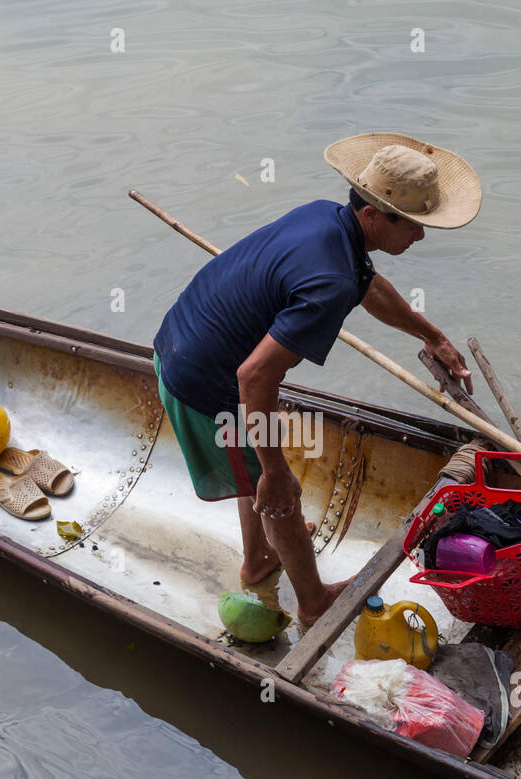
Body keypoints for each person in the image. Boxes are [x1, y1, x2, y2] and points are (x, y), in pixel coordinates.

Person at [152, 132, 481, 626]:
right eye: (412, 225)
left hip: (179, 340)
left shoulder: (327, 219)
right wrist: (277, 472)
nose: (420, 236)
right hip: (205, 384)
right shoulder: (329, 284)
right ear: (373, 215)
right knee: (273, 484)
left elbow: (367, 284)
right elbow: (254, 377)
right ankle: (312, 601)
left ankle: (262, 556)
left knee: (258, 470)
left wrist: (431, 335)